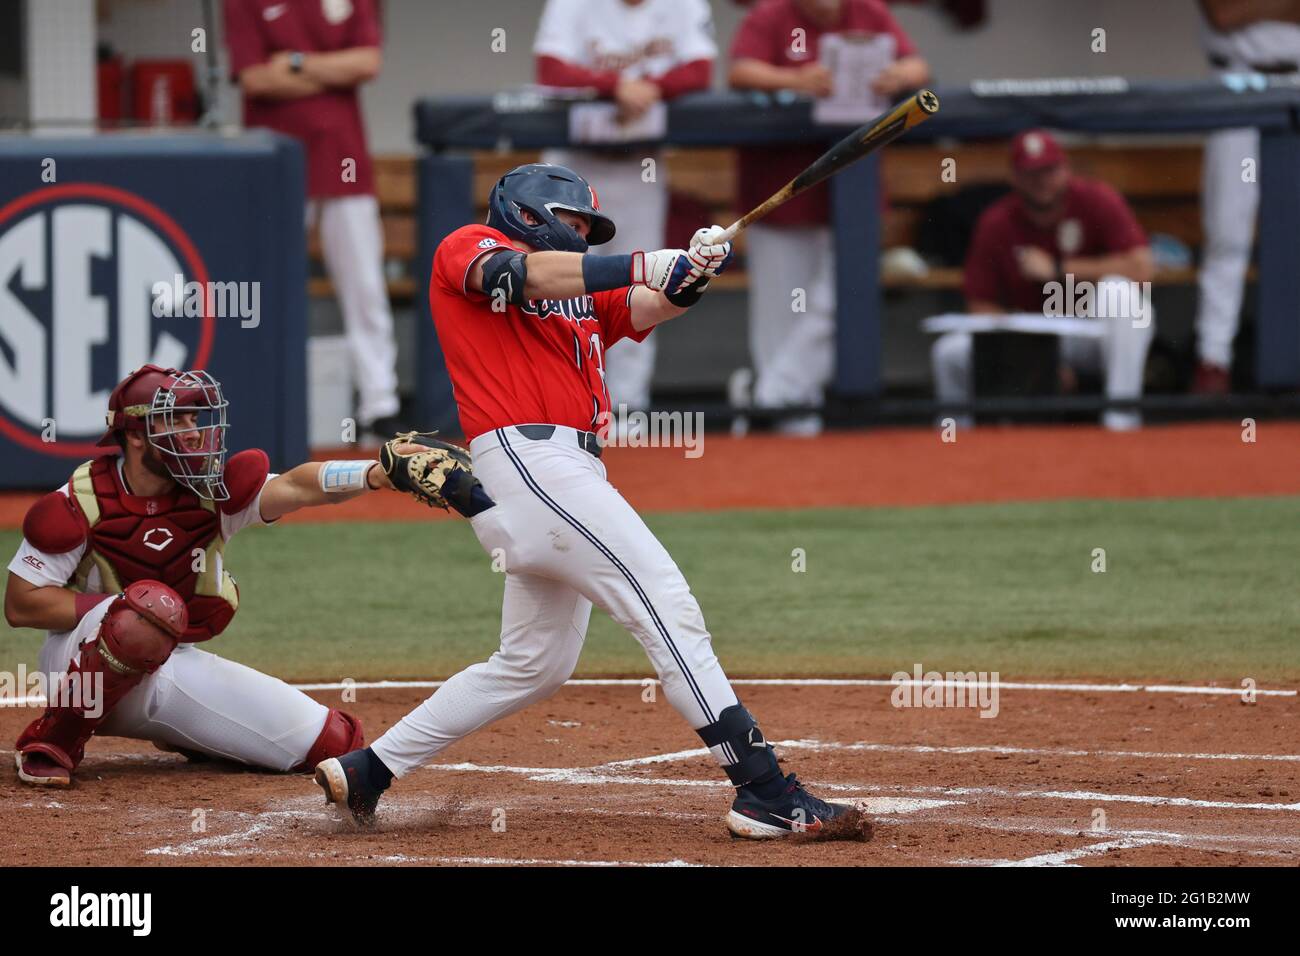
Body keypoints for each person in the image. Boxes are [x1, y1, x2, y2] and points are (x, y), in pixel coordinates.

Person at [314, 163, 869, 840]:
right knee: (666, 605)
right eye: (571, 223)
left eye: (585, 229)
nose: (578, 236)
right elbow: (521, 279)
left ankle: (371, 768)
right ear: (527, 213)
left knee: (533, 663)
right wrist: (644, 260)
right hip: (531, 460)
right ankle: (765, 793)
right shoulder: (467, 246)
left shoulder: (576, 295)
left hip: (566, 471)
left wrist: (691, 270)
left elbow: (645, 305)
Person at [4, 365, 416, 786]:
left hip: (165, 668)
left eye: (194, 419)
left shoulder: (211, 489)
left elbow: (298, 487)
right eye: (175, 420)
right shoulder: (81, 501)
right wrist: (124, 610)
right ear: (135, 435)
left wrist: (373, 474)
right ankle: (53, 739)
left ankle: (195, 735)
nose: (193, 431)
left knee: (334, 744)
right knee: (139, 617)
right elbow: (21, 604)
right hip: (75, 670)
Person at [728, 0, 929, 434]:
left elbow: (917, 66)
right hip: (780, 184)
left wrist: (899, 76)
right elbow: (740, 72)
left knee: (839, 300)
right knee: (780, 315)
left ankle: (770, 397)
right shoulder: (771, 15)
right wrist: (793, 80)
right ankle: (789, 417)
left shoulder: (868, 11)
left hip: (851, 187)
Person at [224, 0, 402, 439]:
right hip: (276, 161)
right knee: (265, 285)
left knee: (364, 285)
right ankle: (253, 398)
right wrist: (329, 73)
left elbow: (367, 62)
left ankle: (380, 404)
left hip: (344, 156)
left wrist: (298, 64)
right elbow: (255, 78)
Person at [534, 0, 718, 418]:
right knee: (562, 287)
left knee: (644, 279)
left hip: (641, 165)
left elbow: (699, 69)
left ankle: (629, 406)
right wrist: (613, 85)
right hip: (573, 166)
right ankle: (562, 408)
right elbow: (550, 69)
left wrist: (652, 86)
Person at [931, 130, 1156, 431]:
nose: (1042, 181)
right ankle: (955, 441)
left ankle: (1121, 419)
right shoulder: (997, 221)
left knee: (1120, 294)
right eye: (1031, 173)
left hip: (1091, 333)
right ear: (1015, 177)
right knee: (948, 353)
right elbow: (979, 304)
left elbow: (1143, 270)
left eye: (1049, 170)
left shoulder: (1096, 199)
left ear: (1065, 168)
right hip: (1029, 338)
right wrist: (1034, 360)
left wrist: (1059, 269)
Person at [1193, 0, 1300, 393]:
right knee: (1227, 229)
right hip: (1235, 87)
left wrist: (1254, 7)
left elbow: (1241, 11)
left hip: (1296, 84)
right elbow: (1223, 16)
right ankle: (1213, 359)